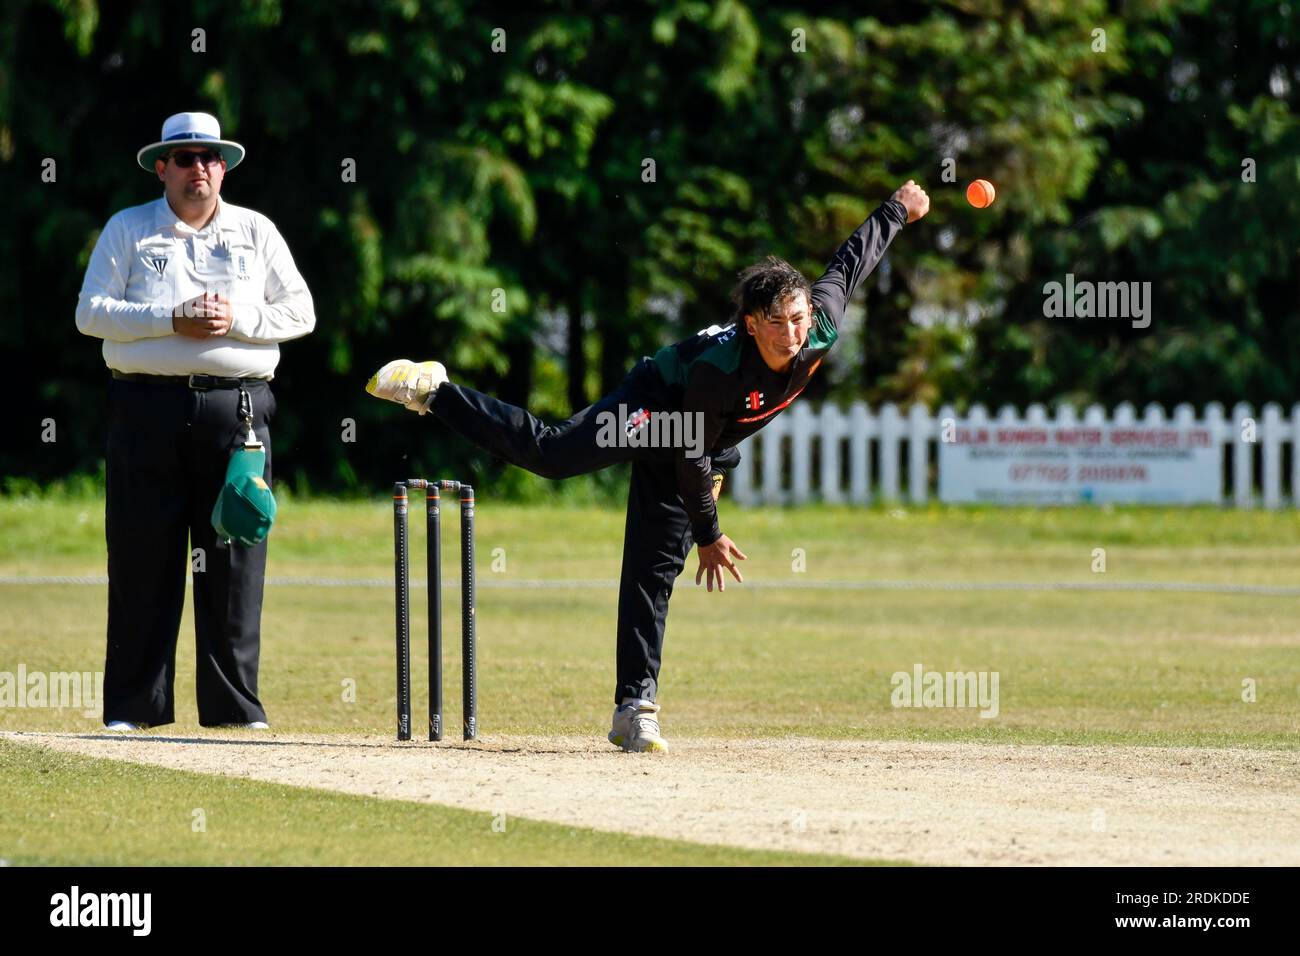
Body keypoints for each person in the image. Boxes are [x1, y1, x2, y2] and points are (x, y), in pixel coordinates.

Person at [367, 181, 930, 751]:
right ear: (752, 324)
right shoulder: (720, 371)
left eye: (800, 318)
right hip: (656, 407)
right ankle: (434, 390)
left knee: (654, 570)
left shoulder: (820, 327)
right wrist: (709, 533)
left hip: (702, 440)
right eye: (779, 323)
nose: (793, 333)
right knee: (554, 455)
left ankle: (633, 709)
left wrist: (897, 210)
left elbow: (850, 261)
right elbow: (689, 452)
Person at [76, 112, 316, 731]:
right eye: (184, 158)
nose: (199, 168)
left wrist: (234, 320)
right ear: (162, 167)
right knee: (140, 556)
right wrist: (171, 320)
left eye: (210, 157)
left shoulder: (256, 231)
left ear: (224, 167)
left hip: (237, 412)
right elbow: (92, 314)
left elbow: (301, 313)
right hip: (145, 409)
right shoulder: (128, 229)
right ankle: (134, 709)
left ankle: (236, 711)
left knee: (235, 553)